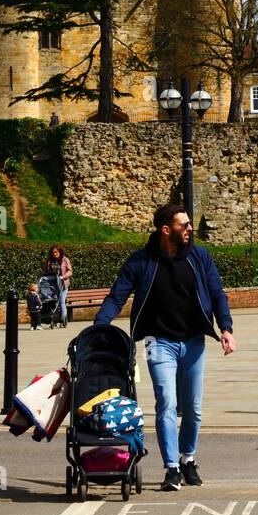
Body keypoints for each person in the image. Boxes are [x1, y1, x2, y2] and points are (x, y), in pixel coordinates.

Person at [95, 203, 236, 491]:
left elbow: (217, 293)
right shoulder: (140, 262)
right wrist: (99, 327)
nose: (190, 229)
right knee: (167, 404)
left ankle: (188, 459)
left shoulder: (200, 257)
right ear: (165, 230)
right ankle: (171, 467)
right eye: (184, 225)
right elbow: (116, 296)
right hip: (159, 343)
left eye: (189, 224)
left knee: (194, 409)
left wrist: (226, 328)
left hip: (194, 341)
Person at [41, 245, 73, 325]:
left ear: (60, 252)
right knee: (52, 301)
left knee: (62, 301)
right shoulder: (49, 261)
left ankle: (63, 318)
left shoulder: (65, 260)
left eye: (56, 252)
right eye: (53, 253)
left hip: (63, 284)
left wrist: (64, 276)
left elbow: (70, 271)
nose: (55, 254)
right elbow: (44, 270)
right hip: (52, 284)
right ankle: (51, 318)